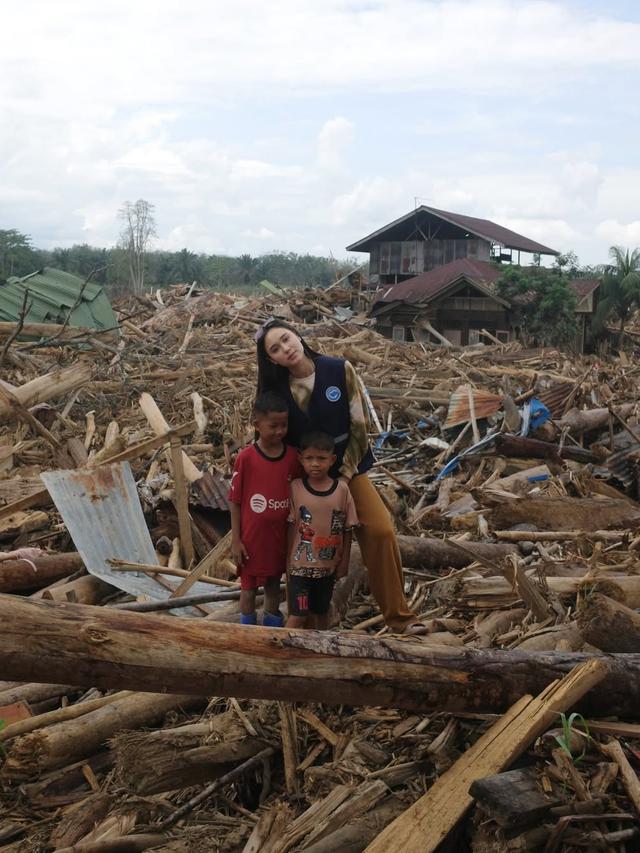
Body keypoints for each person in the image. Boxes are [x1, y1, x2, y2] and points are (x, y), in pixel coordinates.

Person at [255, 319, 428, 635]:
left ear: (298, 334)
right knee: (298, 544)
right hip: (301, 478)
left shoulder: (338, 369)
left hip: (346, 470)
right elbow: (271, 436)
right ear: (271, 359)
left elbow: (359, 429)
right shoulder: (276, 391)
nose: (285, 349)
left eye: (286, 339)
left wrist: (345, 479)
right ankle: (297, 619)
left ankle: (400, 618)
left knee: (380, 532)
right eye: (275, 349)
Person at [228, 391, 301, 626]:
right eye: (273, 426)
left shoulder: (292, 457)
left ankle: (271, 632)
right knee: (248, 588)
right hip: (252, 539)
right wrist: (236, 539)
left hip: (278, 538)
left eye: (284, 425)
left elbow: (297, 492)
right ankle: (247, 632)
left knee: (272, 584)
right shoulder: (246, 458)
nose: (280, 431)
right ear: (257, 425)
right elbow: (235, 500)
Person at [287, 430, 358, 630]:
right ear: (300, 459)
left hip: (327, 569)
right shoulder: (296, 487)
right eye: (309, 458)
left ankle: (320, 653)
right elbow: (292, 526)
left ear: (333, 459)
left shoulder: (341, 490)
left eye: (321, 458)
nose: (315, 464)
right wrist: (287, 561)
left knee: (321, 613)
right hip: (300, 569)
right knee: (298, 615)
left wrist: (344, 563)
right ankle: (280, 652)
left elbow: (347, 528)